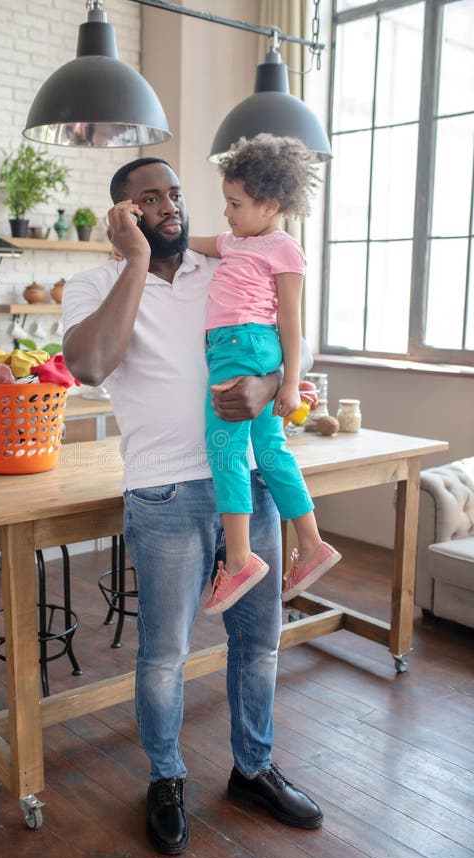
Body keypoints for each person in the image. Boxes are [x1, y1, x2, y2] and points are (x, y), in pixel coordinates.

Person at [62, 157, 323, 856]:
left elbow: (292, 337)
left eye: (175, 193)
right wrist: (136, 261)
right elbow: (88, 365)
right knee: (165, 654)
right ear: (122, 213)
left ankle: (253, 767)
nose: (170, 205)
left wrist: (272, 388)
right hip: (166, 492)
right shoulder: (96, 282)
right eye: (149, 198)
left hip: (248, 485)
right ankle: (167, 777)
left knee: (258, 643)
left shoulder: (225, 262)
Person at [189, 135, 341, 616]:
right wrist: (144, 247)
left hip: (242, 344)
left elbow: (292, 323)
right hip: (240, 345)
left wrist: (290, 381)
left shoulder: (283, 247)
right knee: (269, 449)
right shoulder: (236, 241)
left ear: (271, 204)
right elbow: (192, 243)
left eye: (235, 203)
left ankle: (237, 559)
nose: (228, 213)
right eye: (226, 202)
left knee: (224, 448)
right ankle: (312, 542)